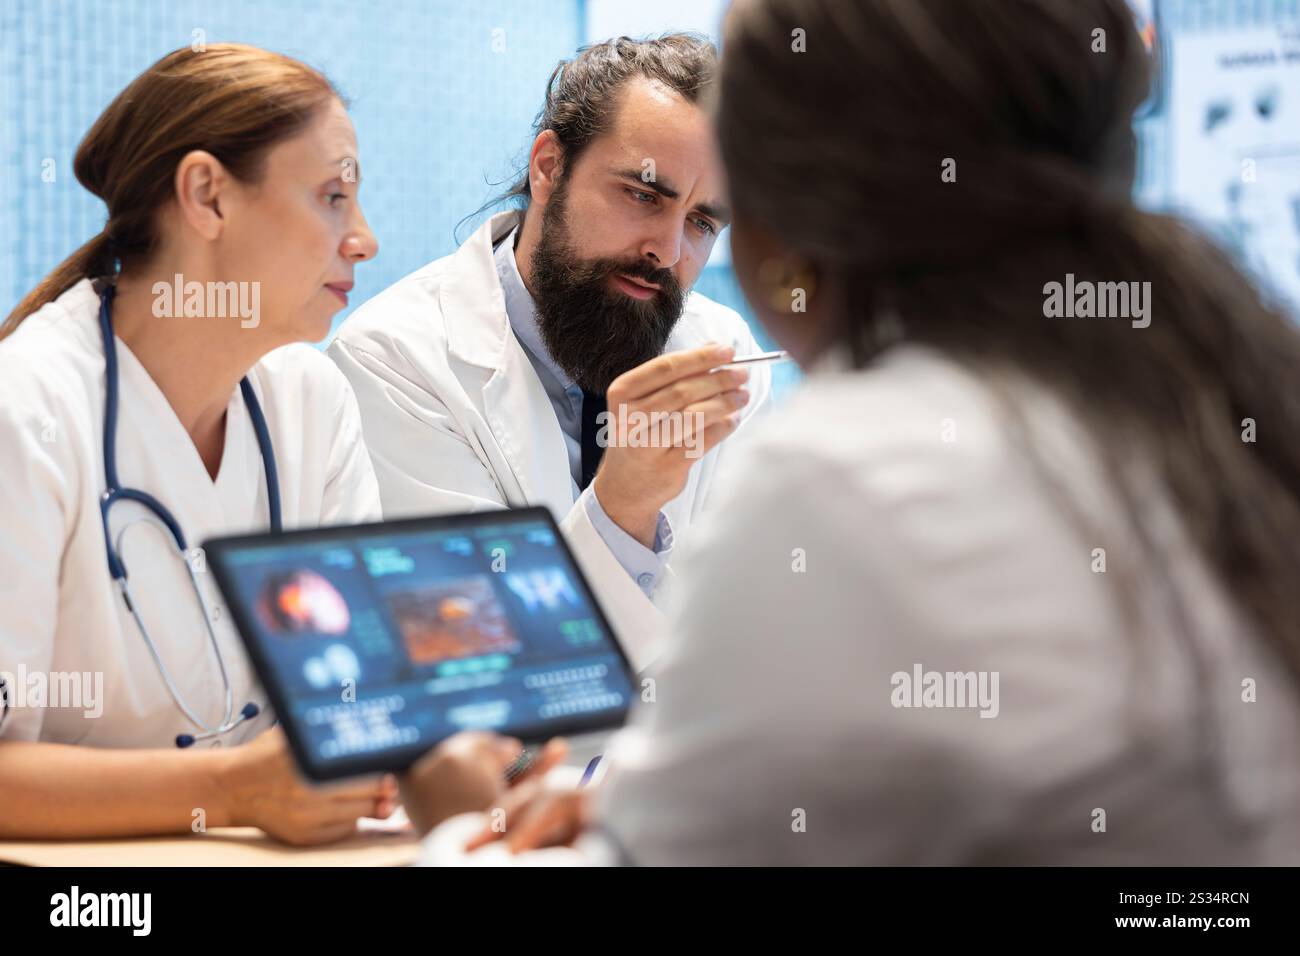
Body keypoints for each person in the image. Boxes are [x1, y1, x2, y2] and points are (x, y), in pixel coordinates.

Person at [398, 0, 1300, 864]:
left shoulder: (847, 465)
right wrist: (660, 794)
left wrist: (451, 830)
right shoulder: (1207, 388)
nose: (672, 253)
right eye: (645, 196)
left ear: (794, 203)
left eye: (713, 213)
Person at [0, 44, 396, 845]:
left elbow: (360, 697)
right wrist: (232, 790)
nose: (364, 239)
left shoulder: (311, 403)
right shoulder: (28, 409)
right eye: (331, 198)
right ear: (207, 196)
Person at [328, 35, 771, 670]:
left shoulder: (722, 353)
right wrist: (624, 507)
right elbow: (465, 658)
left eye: (702, 223)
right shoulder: (395, 361)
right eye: (644, 195)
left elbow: (744, 629)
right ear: (548, 168)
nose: (669, 251)